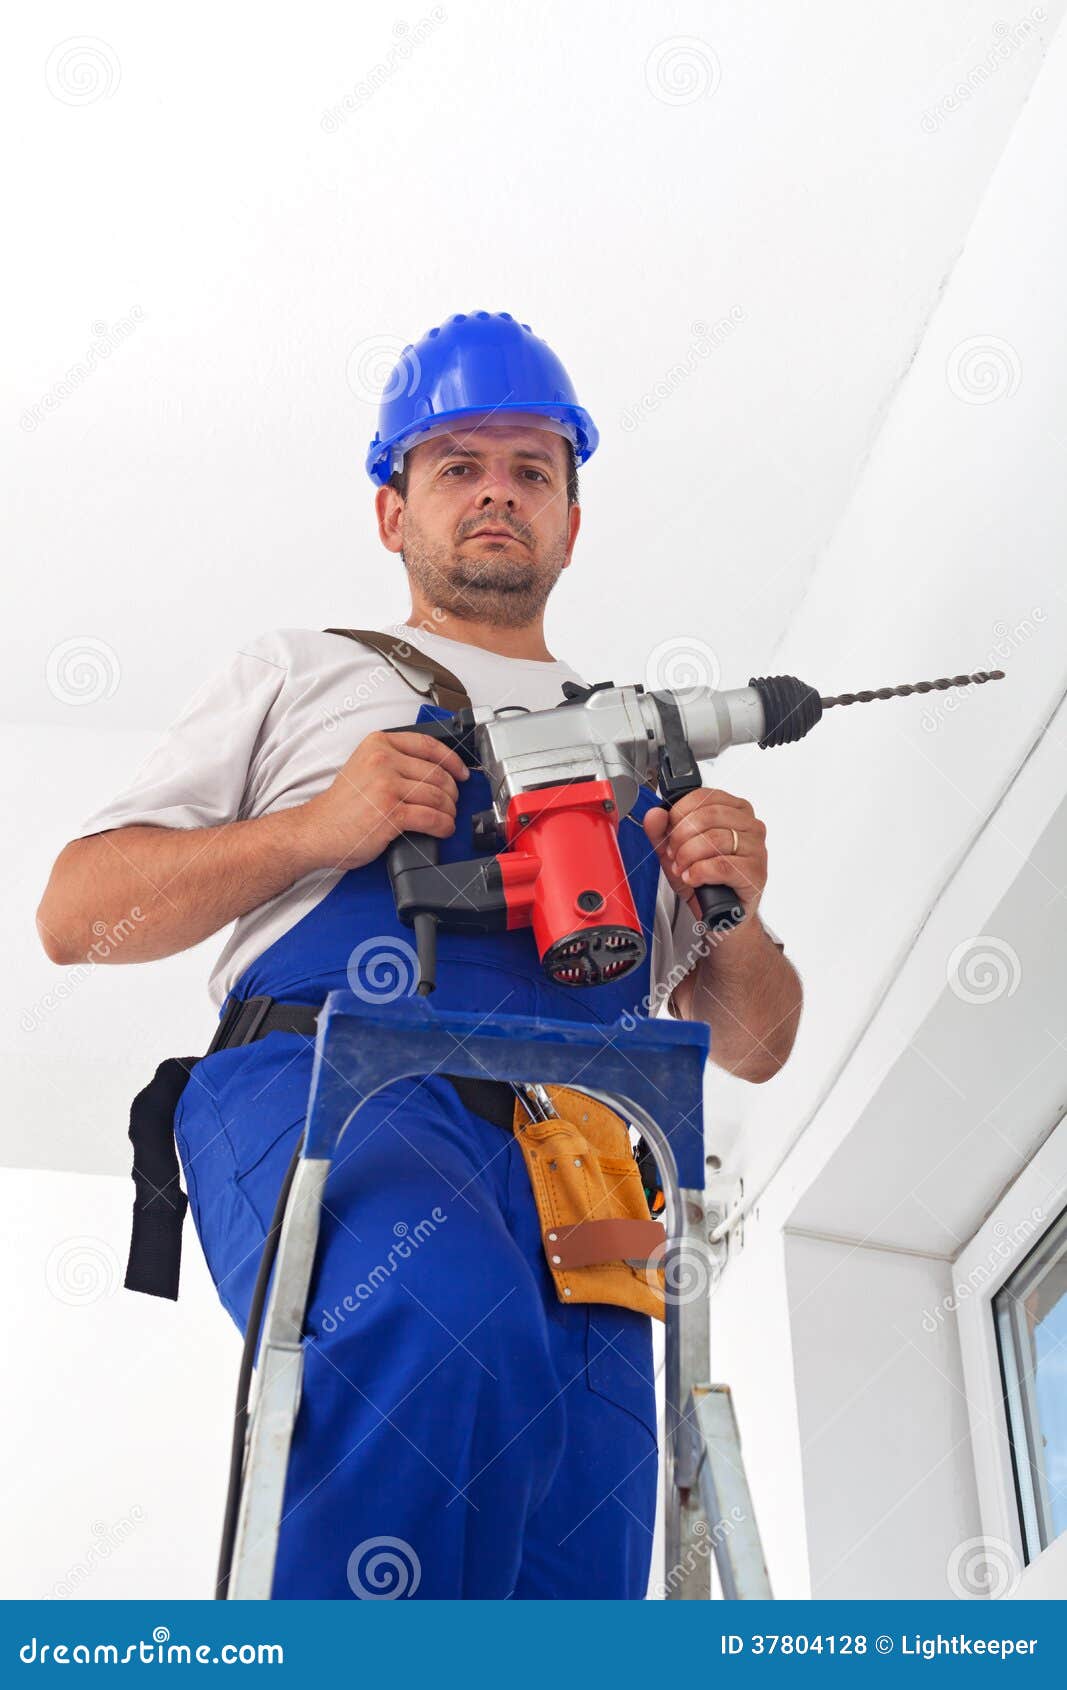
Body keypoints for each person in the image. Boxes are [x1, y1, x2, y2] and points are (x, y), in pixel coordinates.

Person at [36, 310, 803, 1600]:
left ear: (570, 520)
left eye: (531, 471)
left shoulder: (641, 748)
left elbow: (760, 1044)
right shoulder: (299, 671)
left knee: (586, 1518)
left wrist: (735, 908)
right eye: (457, 466)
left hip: (580, 1159)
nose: (496, 493)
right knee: (436, 1320)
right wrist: (323, 827)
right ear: (394, 512)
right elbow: (76, 916)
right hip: (338, 1086)